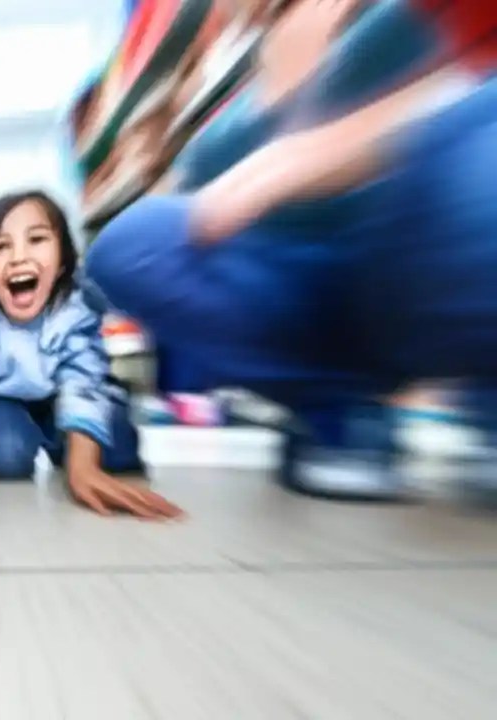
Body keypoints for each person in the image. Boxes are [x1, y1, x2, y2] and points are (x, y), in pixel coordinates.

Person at [85, 0, 497, 499]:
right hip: (310, 294)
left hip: (423, 253)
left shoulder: (401, 19)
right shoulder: (237, 107)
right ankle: (341, 411)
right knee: (133, 242)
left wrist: (315, 155)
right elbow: (203, 205)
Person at [0, 192, 177, 518]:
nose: (18, 256)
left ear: (63, 259)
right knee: (5, 454)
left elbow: (82, 380)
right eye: (0, 246)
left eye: (36, 239)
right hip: (2, 397)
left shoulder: (75, 305)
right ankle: (42, 438)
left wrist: (82, 467)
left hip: (63, 394)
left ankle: (65, 441)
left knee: (118, 445)